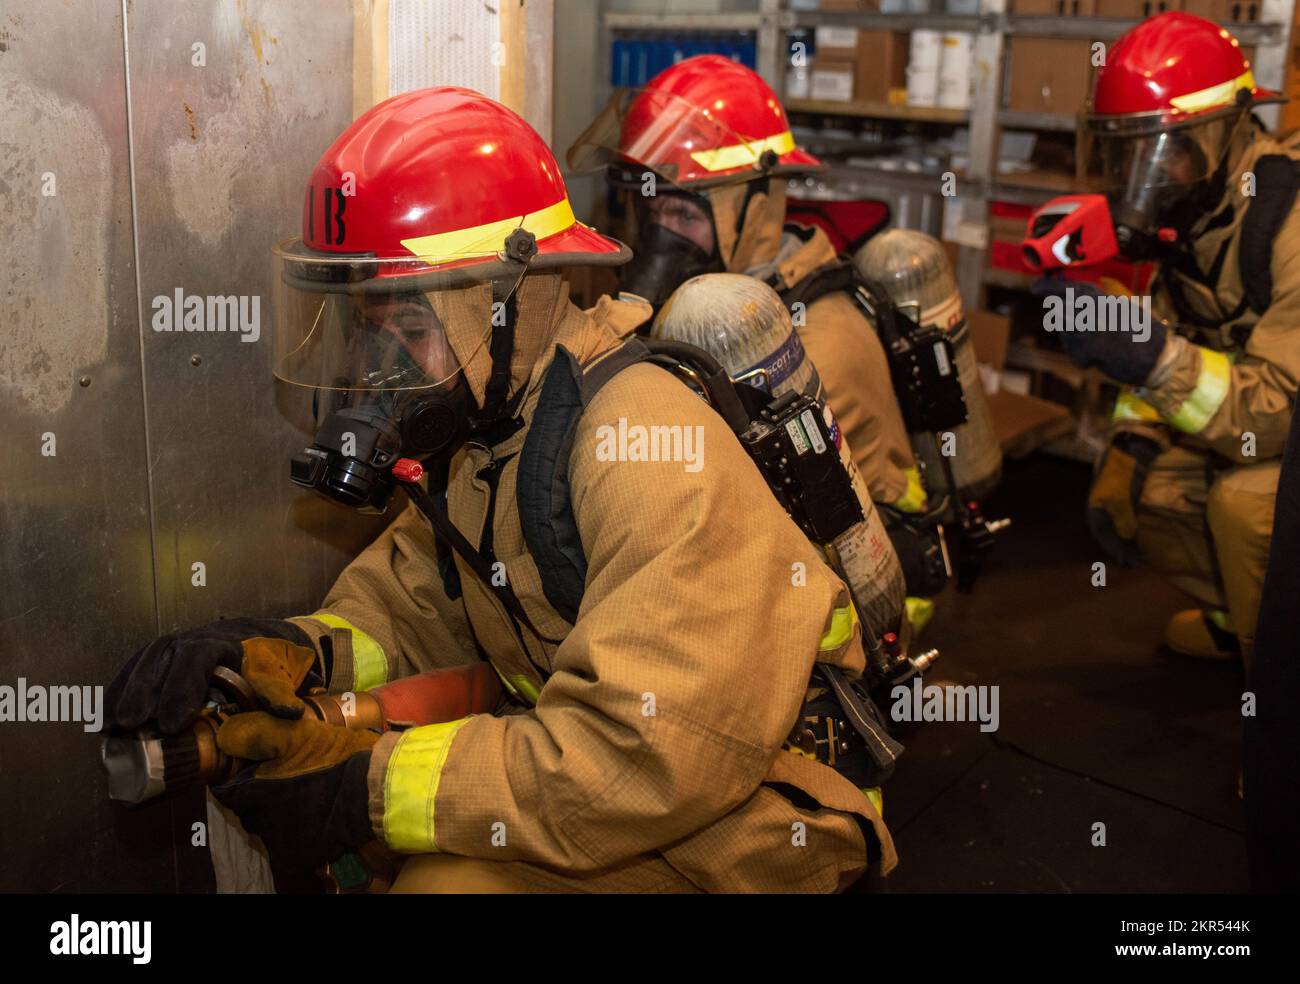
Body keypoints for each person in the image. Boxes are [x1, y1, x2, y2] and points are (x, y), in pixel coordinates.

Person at [105, 86, 897, 893]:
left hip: (755, 818)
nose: (380, 374)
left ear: (506, 306)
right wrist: (282, 655)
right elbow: (415, 603)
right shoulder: (497, 431)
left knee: (442, 888)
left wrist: (367, 788)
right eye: (369, 334)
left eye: (412, 333)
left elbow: (646, 753)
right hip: (641, 787)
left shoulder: (646, 448)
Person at [1038, 12, 1299, 661]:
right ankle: (1245, 623)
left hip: (1283, 428)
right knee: (1155, 493)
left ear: (1233, 128)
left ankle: (1279, 696)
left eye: (1170, 148)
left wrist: (1149, 357)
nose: (1146, 177)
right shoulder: (1201, 218)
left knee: (1242, 507)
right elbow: (1194, 351)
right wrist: (1133, 442)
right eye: (1127, 151)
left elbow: (1272, 415)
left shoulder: (1287, 226)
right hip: (1260, 421)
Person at [567, 55, 928, 519]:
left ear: (755, 212)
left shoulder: (812, 345)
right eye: (651, 211)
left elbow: (770, 523)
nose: (662, 235)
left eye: (685, 215)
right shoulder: (719, 305)